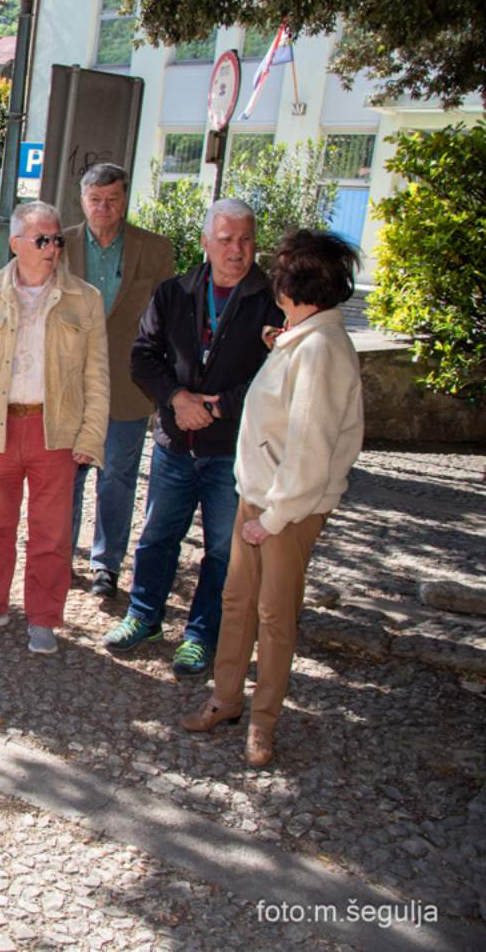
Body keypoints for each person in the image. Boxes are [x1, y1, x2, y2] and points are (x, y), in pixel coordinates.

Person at [181, 230, 364, 767]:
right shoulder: (304, 339)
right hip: (261, 498)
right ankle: (226, 699)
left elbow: (309, 446)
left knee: (274, 614)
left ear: (293, 286)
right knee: (238, 603)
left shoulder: (322, 350)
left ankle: (263, 723)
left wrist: (276, 516)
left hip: (288, 506)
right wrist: (279, 342)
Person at [105, 199, 283, 678]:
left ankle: (201, 636)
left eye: (245, 239)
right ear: (206, 243)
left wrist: (222, 405)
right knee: (158, 535)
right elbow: (143, 357)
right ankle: (144, 616)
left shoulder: (271, 302)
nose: (237, 250)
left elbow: (279, 372)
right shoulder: (174, 293)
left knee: (223, 550)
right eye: (225, 239)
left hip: (234, 451)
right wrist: (177, 399)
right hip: (174, 443)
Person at [0, 202, 110, 654]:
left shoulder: (85, 299)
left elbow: (97, 376)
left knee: (52, 532)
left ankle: (43, 617)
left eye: (57, 239)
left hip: (54, 429)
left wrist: (90, 435)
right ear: (16, 243)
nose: (52, 248)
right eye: (42, 239)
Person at [64, 162, 174, 600]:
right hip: (69, 384)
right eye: (95, 200)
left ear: (124, 199)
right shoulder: (62, 244)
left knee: (117, 478)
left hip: (129, 384)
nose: (103, 208)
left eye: (112, 199)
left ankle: (106, 565)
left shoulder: (155, 249)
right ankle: (58, 555)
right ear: (83, 201)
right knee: (66, 475)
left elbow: (169, 317)